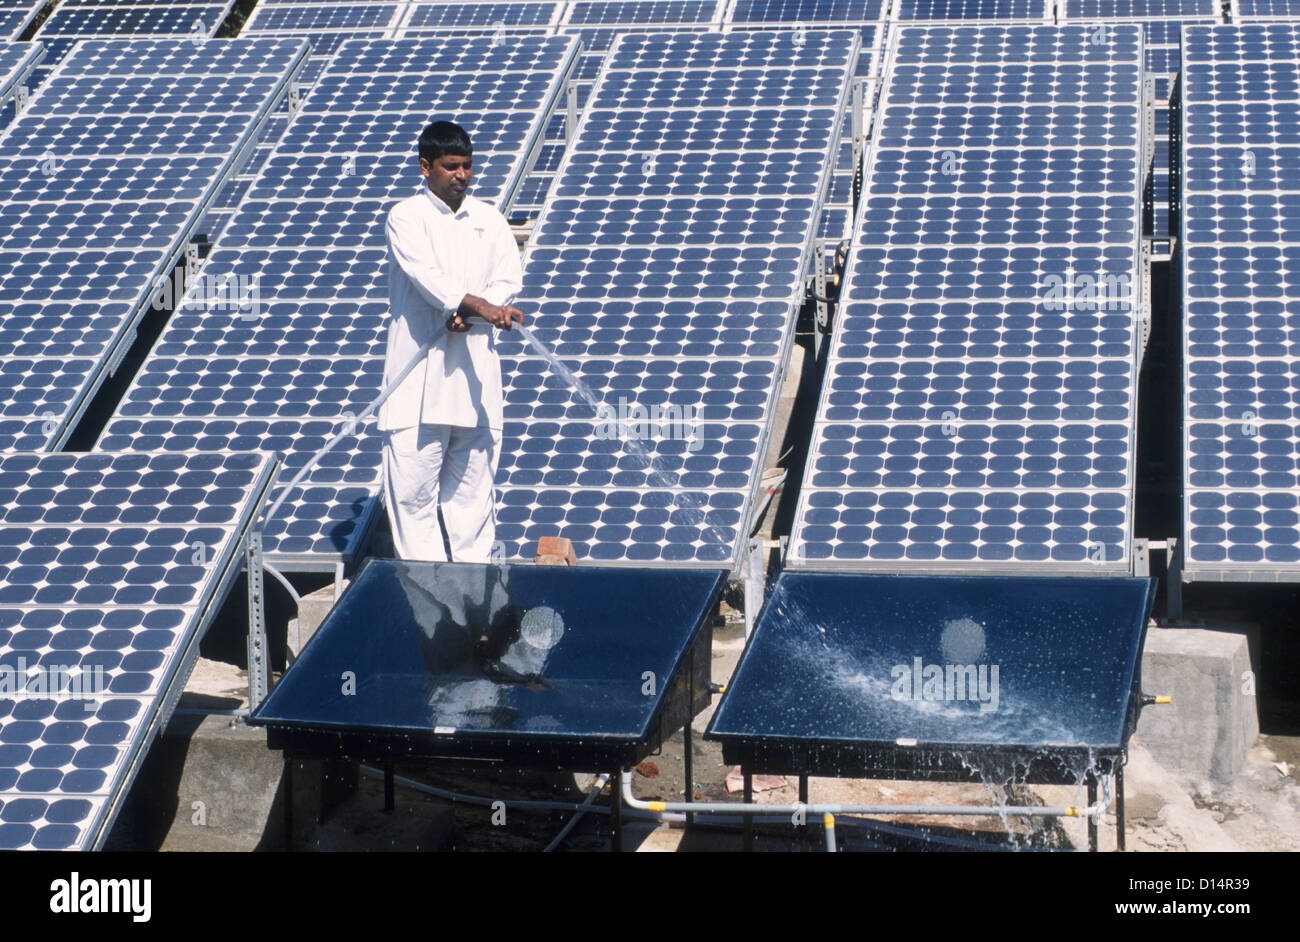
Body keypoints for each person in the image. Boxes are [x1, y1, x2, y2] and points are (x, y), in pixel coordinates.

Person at [379, 120, 525, 562]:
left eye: (467, 167)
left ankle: (472, 612)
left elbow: (507, 278)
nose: (461, 175)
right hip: (417, 389)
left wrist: (482, 310)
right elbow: (425, 276)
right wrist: (468, 305)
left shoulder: (490, 219)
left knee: (474, 506)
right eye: (450, 167)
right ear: (426, 167)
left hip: (476, 385)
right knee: (413, 502)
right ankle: (428, 609)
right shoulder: (406, 217)